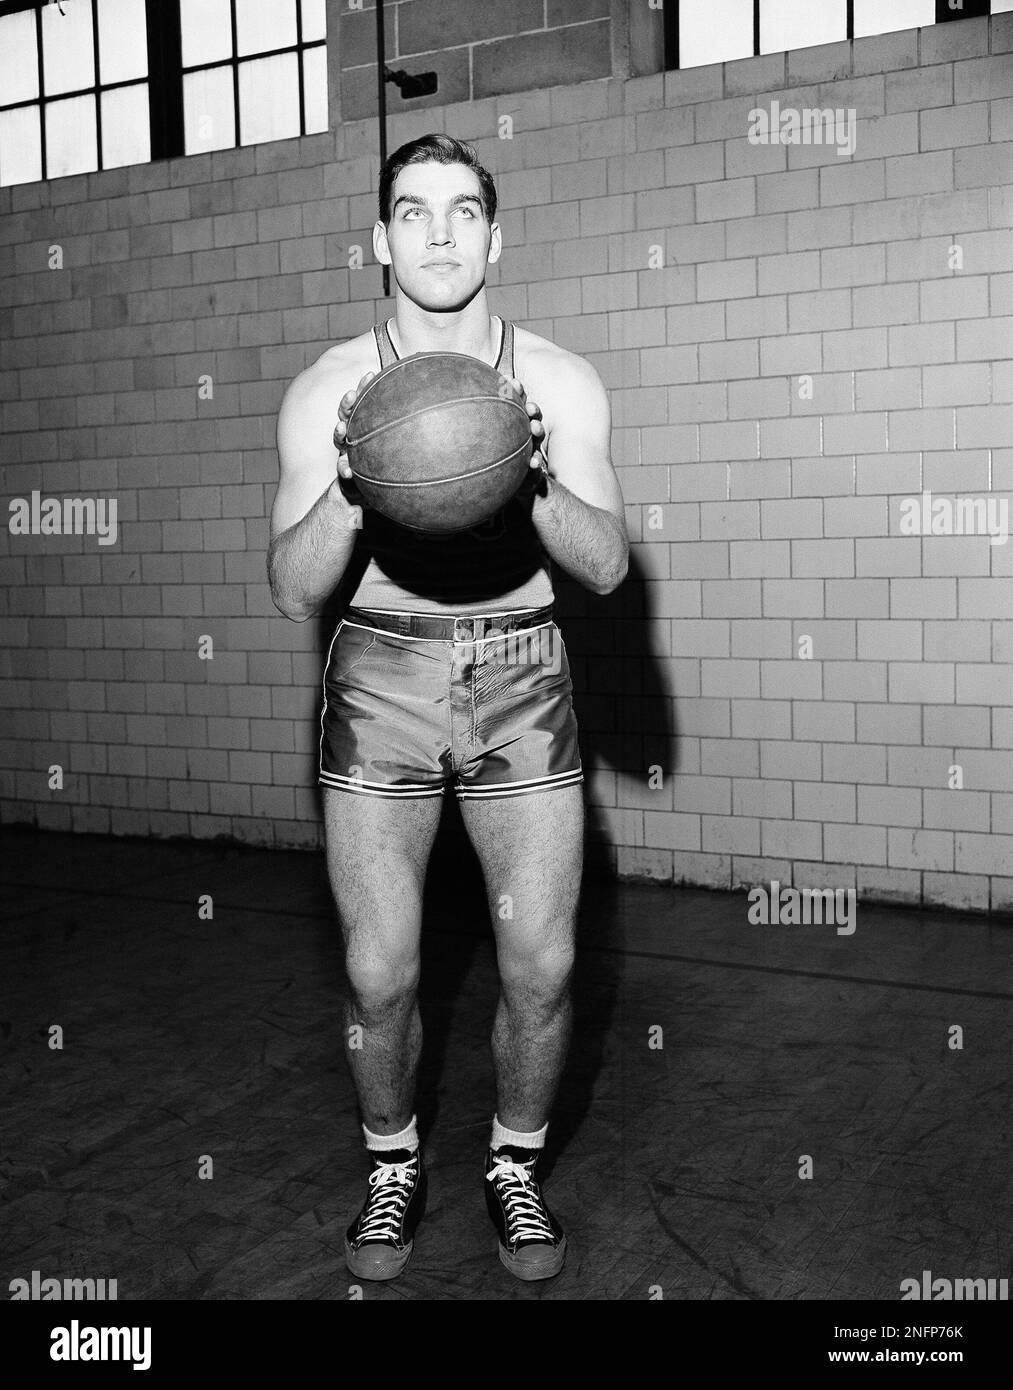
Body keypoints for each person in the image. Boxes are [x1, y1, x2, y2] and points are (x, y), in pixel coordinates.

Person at [268, 134, 628, 1284]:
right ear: (379, 240)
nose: (436, 232)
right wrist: (348, 489)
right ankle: (391, 1158)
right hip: (380, 673)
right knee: (379, 971)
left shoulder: (558, 382)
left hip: (520, 666)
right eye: (410, 212)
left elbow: (610, 566)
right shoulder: (330, 388)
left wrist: (527, 478)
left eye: (462, 211)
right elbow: (292, 586)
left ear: (494, 236)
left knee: (541, 961)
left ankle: (514, 1163)